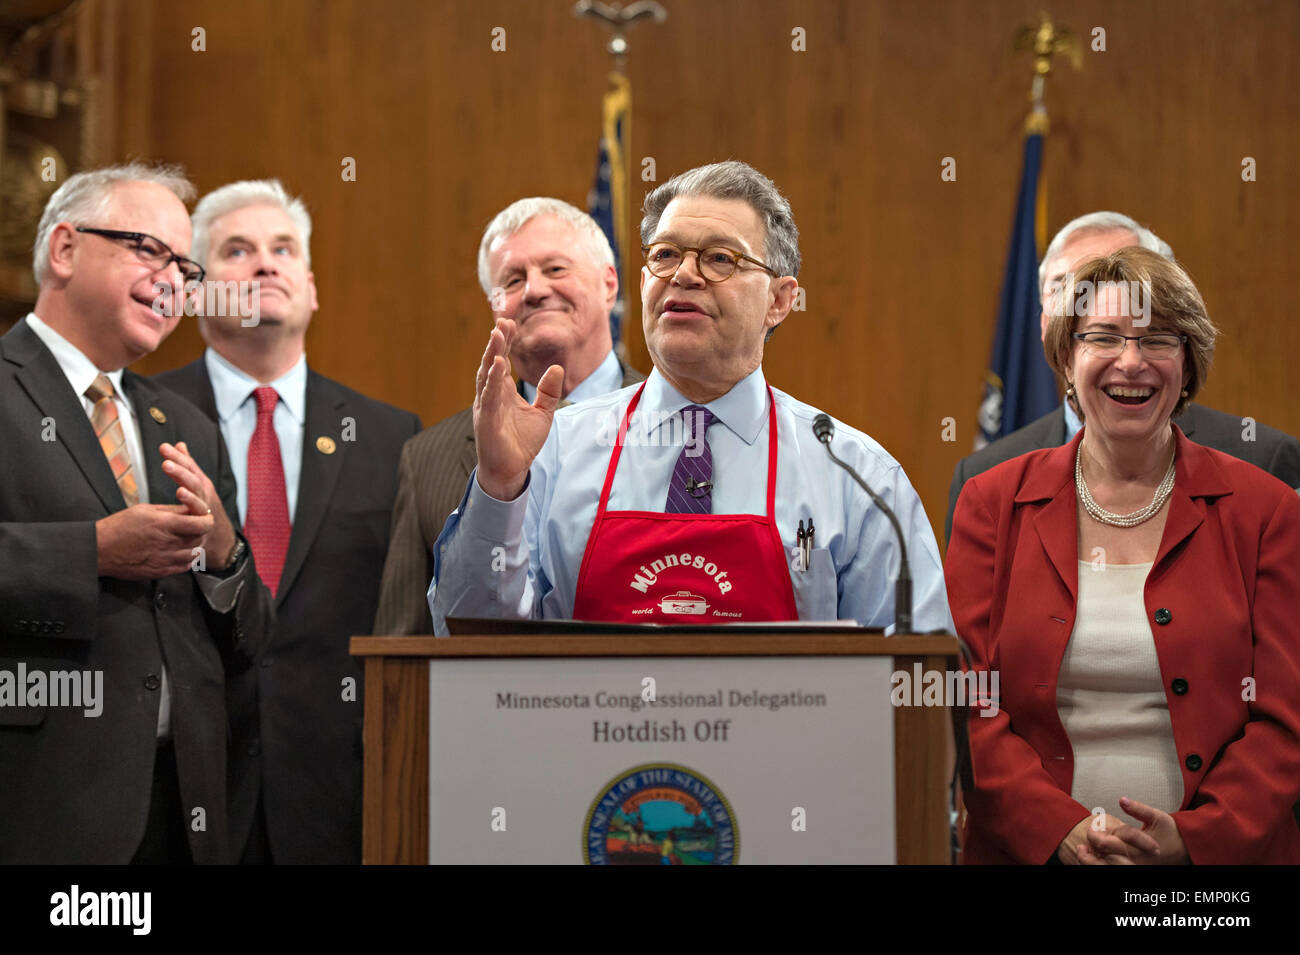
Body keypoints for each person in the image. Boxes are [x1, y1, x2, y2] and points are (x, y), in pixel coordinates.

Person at [428, 160, 949, 632]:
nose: (682, 274)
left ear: (780, 300)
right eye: (665, 254)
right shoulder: (555, 449)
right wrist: (497, 488)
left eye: (720, 258)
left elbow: (914, 675)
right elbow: (466, 638)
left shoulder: (853, 472)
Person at [946, 247, 1300, 864]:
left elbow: (1285, 717)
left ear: (1188, 365)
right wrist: (1060, 829)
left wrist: (1195, 838)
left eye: (1158, 339)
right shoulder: (991, 503)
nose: (1130, 362)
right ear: (1066, 357)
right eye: (1103, 337)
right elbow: (968, 699)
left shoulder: (1265, 510)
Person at [0, 163, 273, 863]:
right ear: (65, 249)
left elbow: (249, 639)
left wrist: (223, 555)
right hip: (43, 800)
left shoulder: (185, 425)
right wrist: (90, 552)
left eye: (185, 266)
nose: (172, 280)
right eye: (148, 250)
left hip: (184, 808)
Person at [153, 179, 421, 864]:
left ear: (311, 286)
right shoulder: (140, 416)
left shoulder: (392, 437)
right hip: (173, 786)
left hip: (336, 789)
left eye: (283, 249)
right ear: (194, 289)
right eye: (237, 250)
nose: (264, 264)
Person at [373, 198, 643, 635]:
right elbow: (404, 651)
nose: (535, 290)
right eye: (513, 280)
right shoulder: (426, 459)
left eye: (556, 269)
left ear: (609, 285)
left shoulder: (679, 424)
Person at [946, 211, 1299, 540]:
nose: (1130, 362)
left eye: (1154, 336)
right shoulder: (985, 483)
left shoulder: (1263, 463)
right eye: (1068, 288)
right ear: (1052, 329)